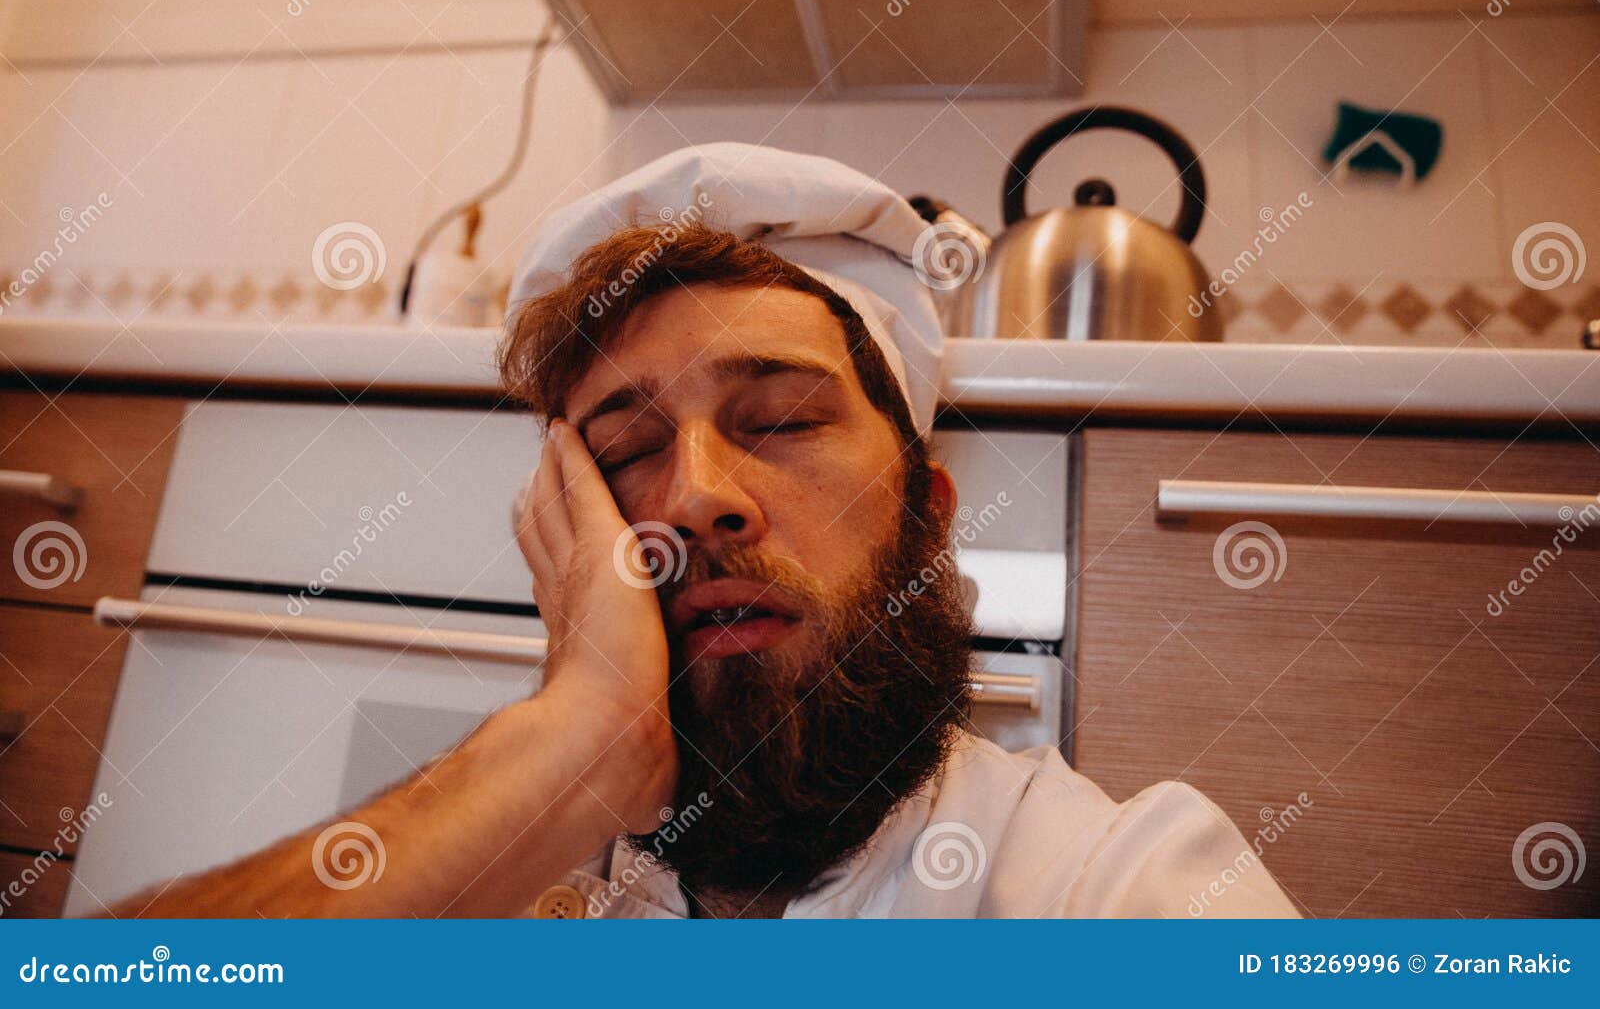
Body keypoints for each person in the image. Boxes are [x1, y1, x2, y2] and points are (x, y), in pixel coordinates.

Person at [114, 145, 1297, 919]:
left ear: (927, 521)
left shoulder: (1109, 885)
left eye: (779, 420)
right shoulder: (505, 889)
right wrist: (574, 744)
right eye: (628, 449)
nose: (694, 496)